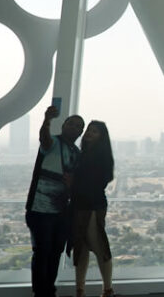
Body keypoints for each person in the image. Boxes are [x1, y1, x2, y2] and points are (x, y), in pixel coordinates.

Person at [26, 106, 85, 297]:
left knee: (55, 252)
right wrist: (47, 119)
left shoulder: (76, 153)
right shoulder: (53, 143)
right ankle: (40, 292)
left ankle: (48, 290)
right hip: (40, 209)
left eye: (78, 126)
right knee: (42, 252)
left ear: (81, 132)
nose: (74, 127)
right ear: (63, 126)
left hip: (61, 212)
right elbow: (44, 138)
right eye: (71, 123)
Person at [71, 121, 115, 297]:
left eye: (94, 131)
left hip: (92, 205)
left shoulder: (98, 157)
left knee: (98, 245)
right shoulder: (83, 154)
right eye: (89, 130)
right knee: (81, 247)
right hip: (80, 205)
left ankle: (107, 289)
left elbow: (95, 182)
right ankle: (81, 289)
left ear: (101, 137)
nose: (89, 133)